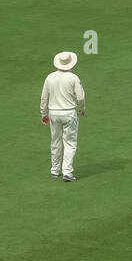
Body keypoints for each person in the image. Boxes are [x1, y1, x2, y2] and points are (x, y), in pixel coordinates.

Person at [40, 51, 86, 182]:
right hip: (69, 113)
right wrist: (82, 109)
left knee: (55, 141)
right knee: (70, 143)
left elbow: (44, 98)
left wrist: (44, 114)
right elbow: (81, 97)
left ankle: (54, 170)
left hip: (53, 113)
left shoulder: (50, 77)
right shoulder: (74, 78)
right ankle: (67, 172)